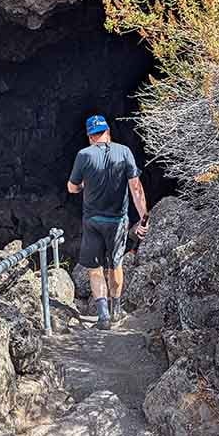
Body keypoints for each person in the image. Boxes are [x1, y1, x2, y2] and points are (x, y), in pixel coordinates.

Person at [67, 114, 149, 330]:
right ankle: (116, 309)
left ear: (89, 136)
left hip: (93, 221)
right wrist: (144, 217)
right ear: (108, 132)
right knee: (115, 265)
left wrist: (84, 185)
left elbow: (72, 188)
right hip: (118, 221)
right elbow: (136, 189)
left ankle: (102, 316)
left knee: (95, 269)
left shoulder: (83, 155)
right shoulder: (124, 152)